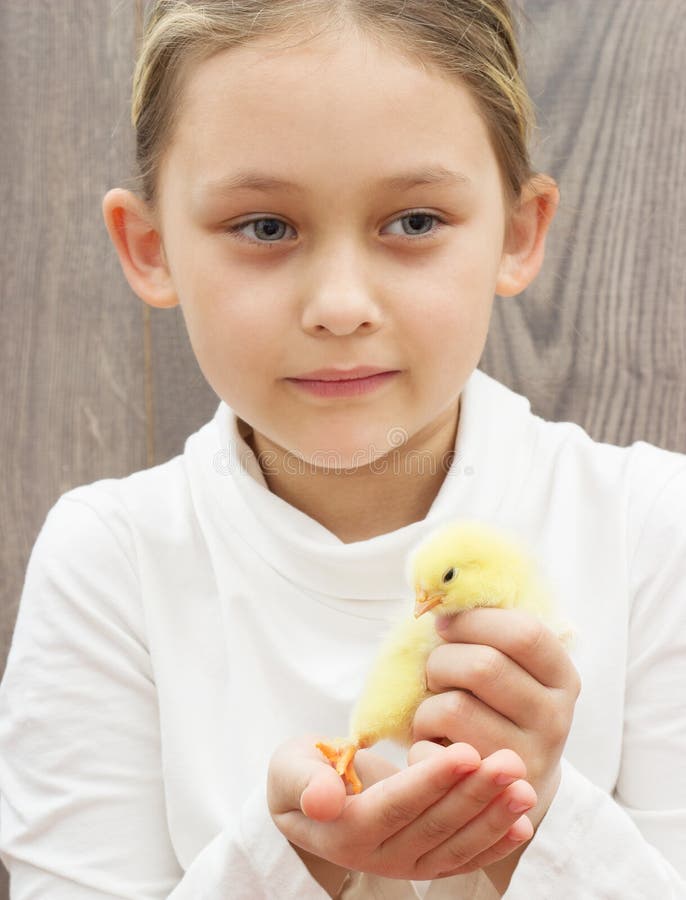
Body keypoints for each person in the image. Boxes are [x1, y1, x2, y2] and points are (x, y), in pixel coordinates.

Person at [0, 0, 684, 897]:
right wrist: (291, 858)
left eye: (413, 222)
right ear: (151, 247)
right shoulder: (111, 563)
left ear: (519, 234)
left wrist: (536, 815)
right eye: (265, 227)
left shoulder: (651, 528)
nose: (340, 304)